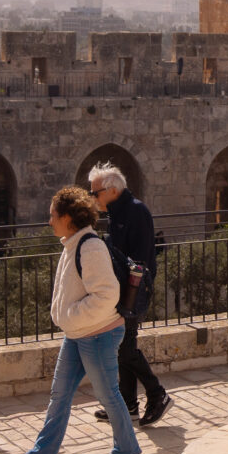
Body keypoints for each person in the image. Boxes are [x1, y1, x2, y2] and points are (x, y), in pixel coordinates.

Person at [5, 186, 142, 454]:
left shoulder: (90, 247)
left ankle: (127, 449)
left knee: (108, 394)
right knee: (60, 393)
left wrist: (71, 317)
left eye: (53, 215)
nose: (49, 221)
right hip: (79, 333)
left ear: (68, 217)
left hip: (98, 333)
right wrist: (71, 321)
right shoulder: (73, 243)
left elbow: (106, 295)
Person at [86, 164, 169, 427]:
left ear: (112, 190)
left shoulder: (136, 211)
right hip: (119, 288)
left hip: (132, 290)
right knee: (123, 347)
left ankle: (158, 394)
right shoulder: (116, 212)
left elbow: (140, 260)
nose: (93, 198)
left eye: (95, 193)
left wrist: (129, 293)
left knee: (126, 348)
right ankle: (128, 405)